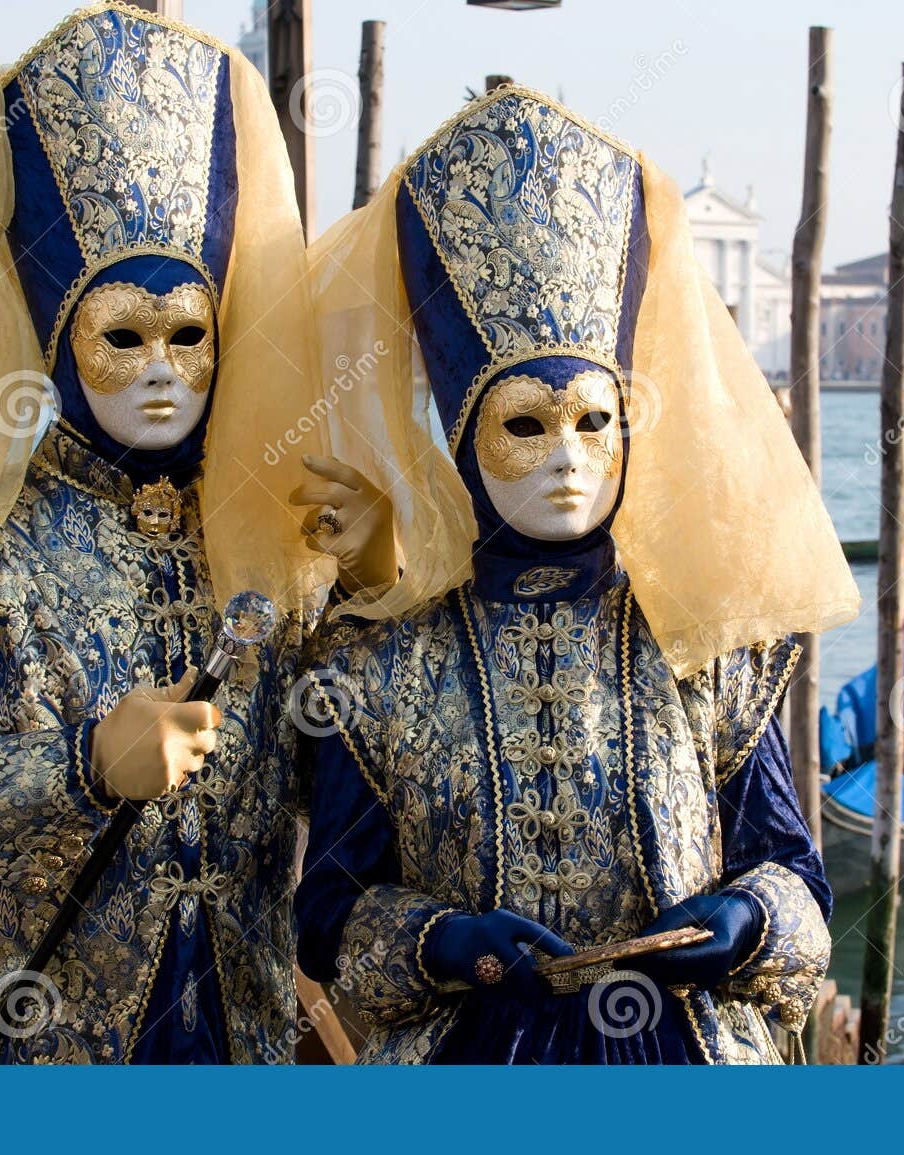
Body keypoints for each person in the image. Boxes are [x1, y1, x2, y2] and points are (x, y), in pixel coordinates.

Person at [0, 4, 393, 1064]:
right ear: (55, 333)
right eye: (123, 334)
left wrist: (372, 588)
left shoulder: (263, 519)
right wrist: (80, 767)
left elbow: (341, 777)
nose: (162, 368)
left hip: (233, 1034)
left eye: (190, 334)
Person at [294, 84, 861, 1063]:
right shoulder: (382, 652)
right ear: (466, 437)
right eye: (526, 424)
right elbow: (331, 920)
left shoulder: (697, 630)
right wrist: (447, 947)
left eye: (593, 422)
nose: (568, 459)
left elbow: (796, 880)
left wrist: (746, 925)